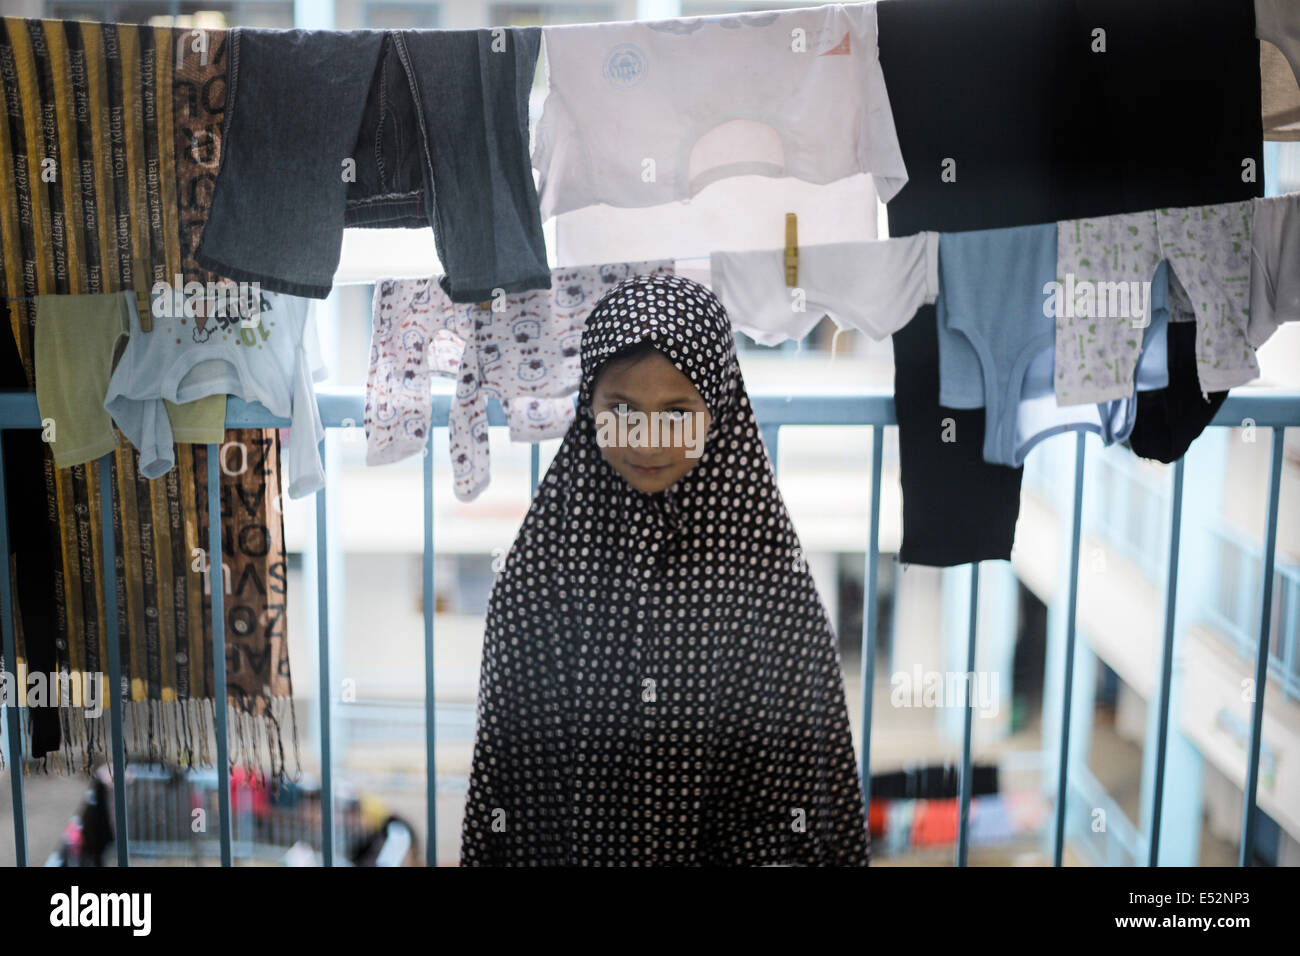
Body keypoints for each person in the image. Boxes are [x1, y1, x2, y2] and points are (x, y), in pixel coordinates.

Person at [459, 273, 869, 866]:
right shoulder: (540, 574)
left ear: (719, 410)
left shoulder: (765, 573)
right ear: (587, 406)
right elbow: (515, 781)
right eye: (622, 409)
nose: (648, 440)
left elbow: (801, 778)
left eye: (677, 412)